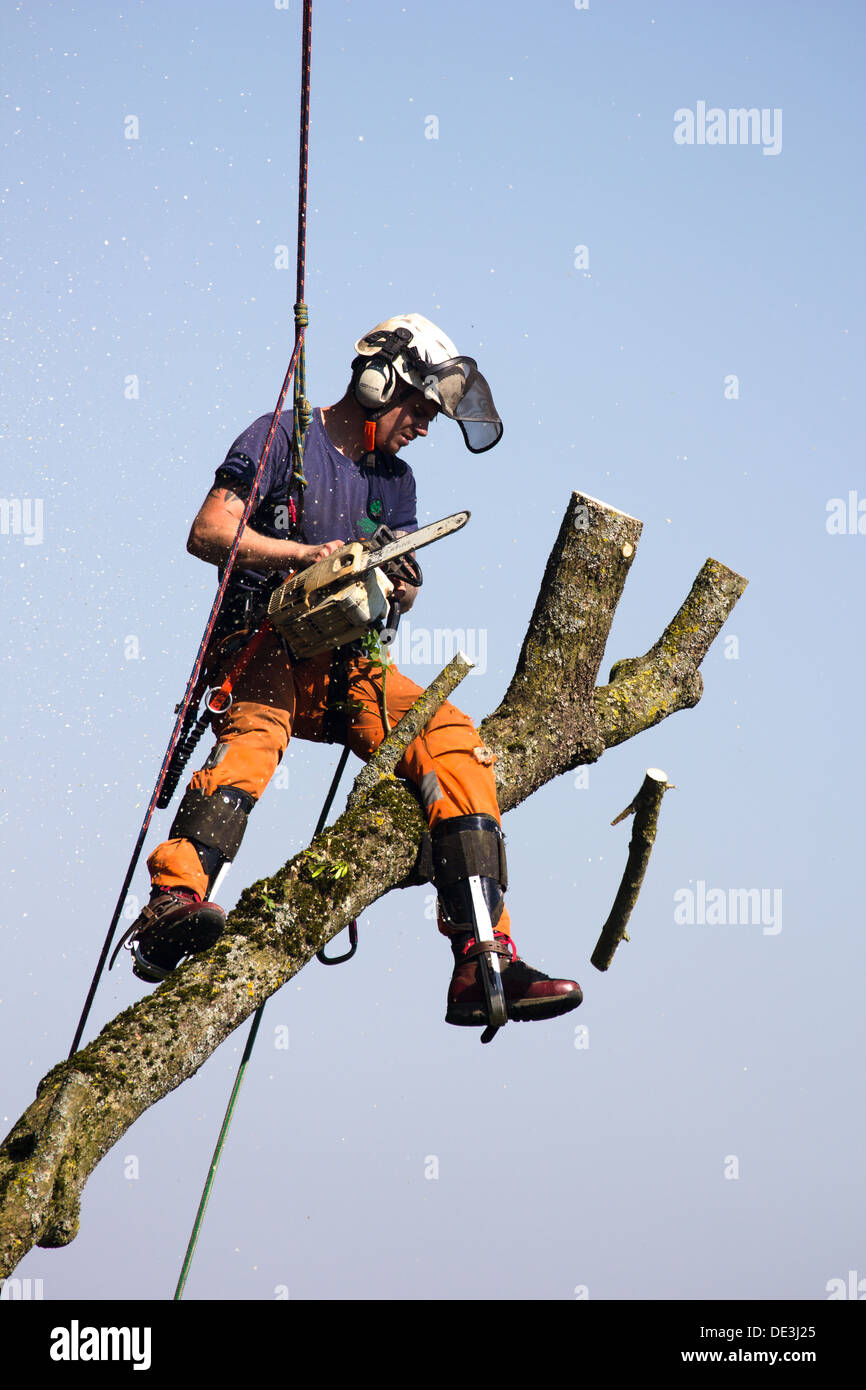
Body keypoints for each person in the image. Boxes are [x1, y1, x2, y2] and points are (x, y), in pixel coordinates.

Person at [125, 314, 582, 1030]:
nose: (426, 428)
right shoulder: (281, 437)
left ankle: (482, 955)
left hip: (353, 666)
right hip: (265, 648)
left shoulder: (395, 484)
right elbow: (209, 532)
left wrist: (401, 585)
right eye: (422, 410)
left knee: (453, 742)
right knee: (253, 744)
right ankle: (170, 905)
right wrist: (299, 556)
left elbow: (396, 568)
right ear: (380, 385)